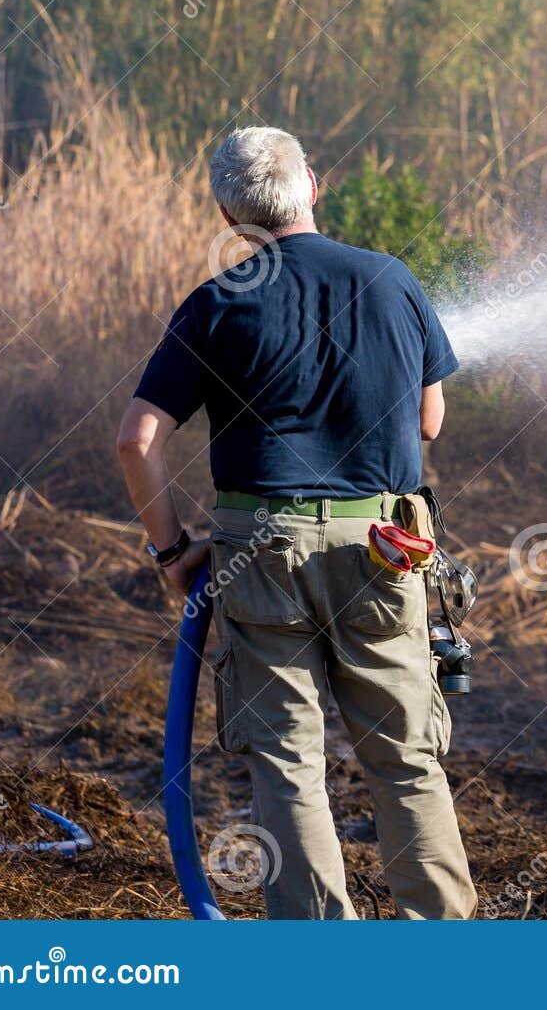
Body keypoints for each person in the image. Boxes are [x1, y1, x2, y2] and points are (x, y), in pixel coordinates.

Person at [115, 125, 477, 919]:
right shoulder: (391, 281)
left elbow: (138, 439)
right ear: (313, 183)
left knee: (286, 766)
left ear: (229, 214)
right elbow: (431, 421)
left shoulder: (217, 301)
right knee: (407, 760)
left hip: (259, 558)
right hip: (384, 550)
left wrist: (173, 549)